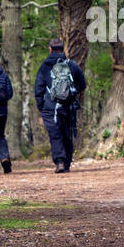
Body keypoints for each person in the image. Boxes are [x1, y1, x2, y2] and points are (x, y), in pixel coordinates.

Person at [34, 38, 87, 173]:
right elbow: (82, 84)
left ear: (50, 49)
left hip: (50, 107)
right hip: (68, 106)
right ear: (63, 49)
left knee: (55, 135)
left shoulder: (44, 67)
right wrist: (72, 94)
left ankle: (59, 161)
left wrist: (41, 106)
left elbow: (38, 88)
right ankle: (67, 162)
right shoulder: (72, 65)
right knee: (67, 133)